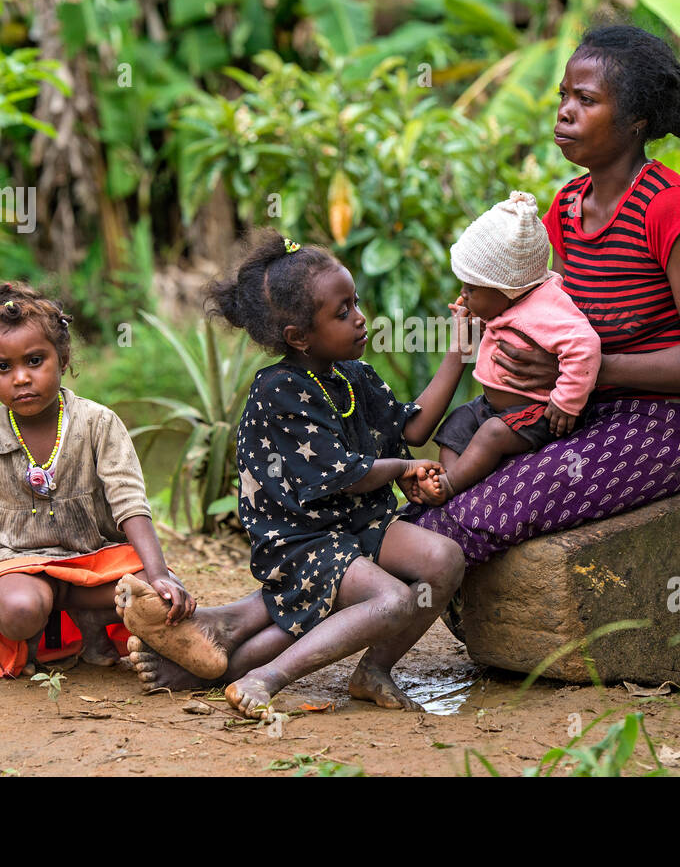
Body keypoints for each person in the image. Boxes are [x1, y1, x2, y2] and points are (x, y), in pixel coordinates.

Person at [402, 21, 680, 570]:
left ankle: (347, 620)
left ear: (636, 121)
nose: (564, 111)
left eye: (585, 100)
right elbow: (533, 305)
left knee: (466, 519)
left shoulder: (669, 209)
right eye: (563, 96)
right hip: (577, 408)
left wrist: (592, 371)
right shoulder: (566, 207)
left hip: (669, 424)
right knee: (434, 495)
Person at [115, 232, 468, 715]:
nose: (360, 318)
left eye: (355, 303)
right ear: (298, 337)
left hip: (359, 527)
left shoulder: (351, 375)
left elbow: (415, 425)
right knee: (391, 601)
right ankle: (264, 676)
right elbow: (342, 475)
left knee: (443, 560)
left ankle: (371, 670)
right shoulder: (280, 388)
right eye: (342, 312)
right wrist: (404, 467)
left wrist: (461, 347)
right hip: (303, 539)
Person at [0, 281, 199, 680]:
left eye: (34, 360)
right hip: (17, 566)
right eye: (3, 367)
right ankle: (38, 630)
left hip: (94, 561)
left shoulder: (97, 424)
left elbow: (130, 503)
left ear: (62, 358)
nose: (21, 378)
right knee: (20, 609)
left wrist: (160, 573)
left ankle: (91, 621)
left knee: (159, 592)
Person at [418, 190, 601, 503]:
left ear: (508, 288)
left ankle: (450, 486)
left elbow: (585, 344)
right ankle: (454, 482)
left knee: (492, 434)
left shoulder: (547, 309)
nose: (464, 294)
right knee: (459, 421)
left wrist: (566, 401)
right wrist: (475, 324)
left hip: (537, 411)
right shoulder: (505, 303)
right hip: (495, 406)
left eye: (471, 289)